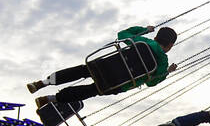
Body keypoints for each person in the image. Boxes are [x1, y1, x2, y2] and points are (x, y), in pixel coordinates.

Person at [29, 26, 177, 106]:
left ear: (156, 36)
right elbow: (152, 82)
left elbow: (122, 34)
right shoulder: (163, 62)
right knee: (90, 91)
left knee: (79, 71)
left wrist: (143, 29)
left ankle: (42, 83)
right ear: (170, 45)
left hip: (104, 66)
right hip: (117, 83)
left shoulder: (143, 41)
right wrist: (167, 72)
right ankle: (49, 99)